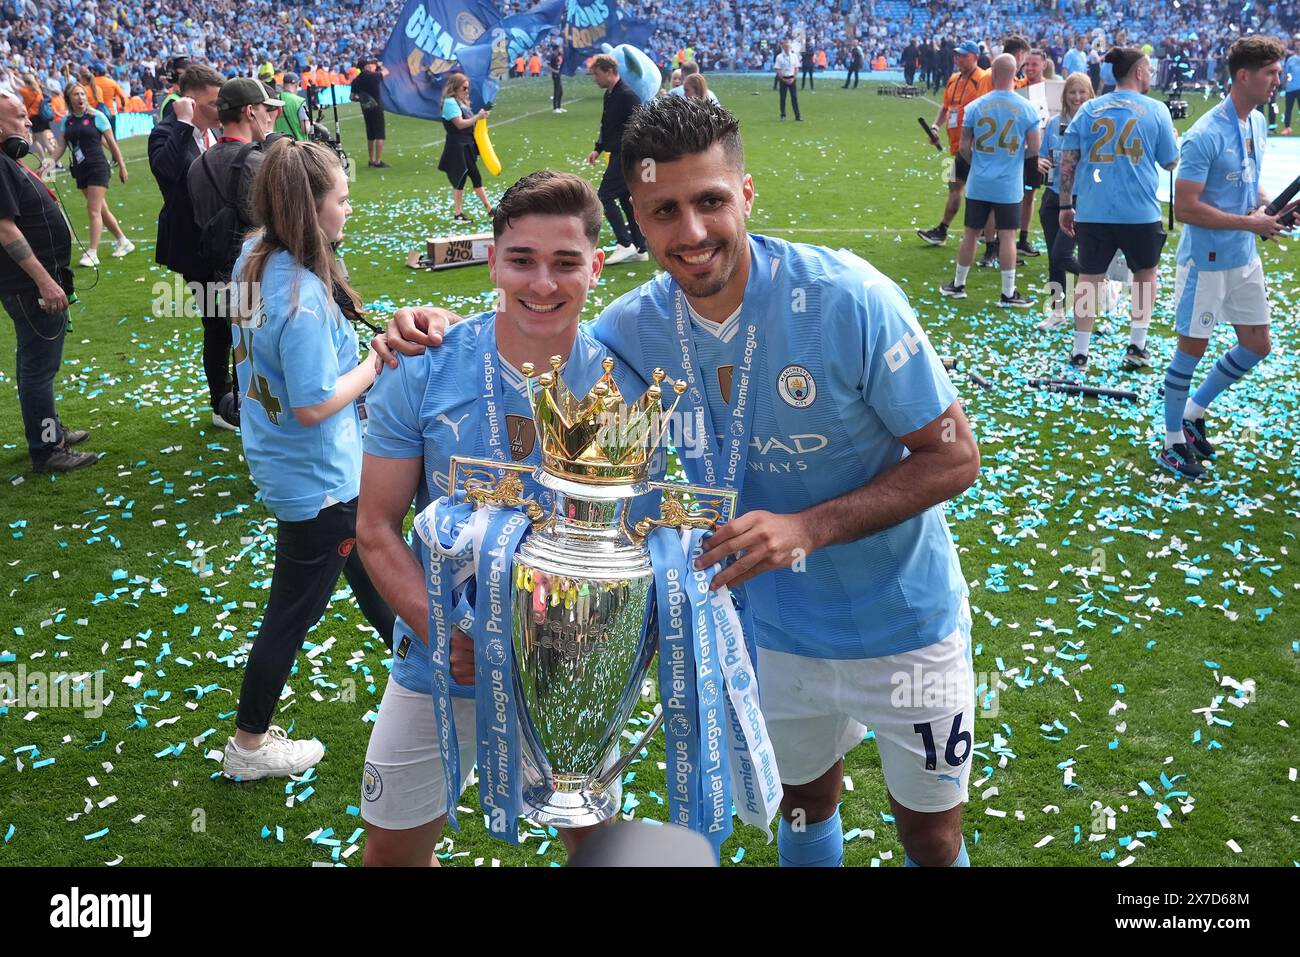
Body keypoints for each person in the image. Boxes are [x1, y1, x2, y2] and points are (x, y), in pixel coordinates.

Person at [383, 97, 982, 868]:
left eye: (711, 201)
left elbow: (955, 456)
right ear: (637, 215)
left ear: (747, 195)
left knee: (932, 837)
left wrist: (808, 527)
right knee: (804, 806)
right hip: (771, 631)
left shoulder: (849, 299)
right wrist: (426, 328)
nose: (692, 232)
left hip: (903, 624)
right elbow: (534, 321)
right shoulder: (631, 331)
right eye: (665, 210)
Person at [356, 171, 627, 865]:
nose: (543, 283)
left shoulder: (626, 379)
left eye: (566, 262)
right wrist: (442, 632)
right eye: (522, 260)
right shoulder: (422, 365)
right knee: (391, 853)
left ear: (596, 266)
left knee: (594, 842)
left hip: (572, 662)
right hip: (446, 660)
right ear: (491, 260)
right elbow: (377, 527)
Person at [221, 139, 395, 782]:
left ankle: (436, 675)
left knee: (378, 581)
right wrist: (375, 363)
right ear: (311, 206)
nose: (349, 209)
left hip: (298, 467)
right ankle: (248, 746)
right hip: (317, 479)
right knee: (292, 613)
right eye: (342, 199)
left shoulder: (253, 256)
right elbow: (315, 403)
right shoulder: (300, 295)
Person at [1160, 36, 1291, 479]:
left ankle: (1194, 412)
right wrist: (1251, 223)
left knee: (1258, 344)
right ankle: (1171, 440)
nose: (1279, 80)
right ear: (1243, 76)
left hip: (1243, 255)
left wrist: (1269, 206)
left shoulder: (1255, 122)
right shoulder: (1204, 134)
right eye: (1271, 73)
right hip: (1206, 260)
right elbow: (1188, 208)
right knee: (1191, 350)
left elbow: (1246, 185)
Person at [1057, 47, 1179, 371]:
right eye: (1149, 70)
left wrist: (1065, 204)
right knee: (1144, 275)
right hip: (1139, 211)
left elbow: (1068, 161)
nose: (1150, 75)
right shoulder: (1156, 110)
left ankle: (1080, 352)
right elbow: (1170, 161)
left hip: (1094, 209)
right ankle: (1137, 346)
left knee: (1089, 278)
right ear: (1139, 72)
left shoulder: (1088, 110)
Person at [0, 88, 97, 472]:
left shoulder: (9, 162)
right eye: (20, 116)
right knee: (38, 369)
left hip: (33, 282)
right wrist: (44, 281)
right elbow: (6, 230)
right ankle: (46, 448)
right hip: (29, 286)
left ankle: (48, 431)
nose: (29, 122)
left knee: (35, 364)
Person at [148, 64, 232, 429]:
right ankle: (221, 405)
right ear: (190, 101)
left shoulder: (216, 134)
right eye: (214, 103)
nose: (220, 110)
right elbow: (165, 173)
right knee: (218, 325)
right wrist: (182, 124)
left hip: (223, 243)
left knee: (238, 321)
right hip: (194, 248)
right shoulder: (167, 132)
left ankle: (242, 397)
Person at [939, 54, 1040, 307]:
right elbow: (1033, 148)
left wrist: (980, 164)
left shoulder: (975, 106)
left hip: (980, 181)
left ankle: (959, 284)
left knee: (971, 233)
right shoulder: (1027, 108)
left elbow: (963, 147)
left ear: (992, 74)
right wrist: (1013, 161)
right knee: (1007, 236)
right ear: (1015, 74)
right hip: (1008, 183)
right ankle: (1007, 292)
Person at [188, 77, 282, 285]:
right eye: (264, 110)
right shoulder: (259, 163)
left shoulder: (196, 165)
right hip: (263, 275)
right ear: (249, 112)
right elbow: (281, 225)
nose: (268, 118)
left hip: (221, 277)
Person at [42, 81, 132, 268]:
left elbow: (112, 143)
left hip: (97, 166)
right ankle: (124, 241)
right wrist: (51, 160)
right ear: (69, 99)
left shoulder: (97, 116)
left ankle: (92, 252)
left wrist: (122, 166)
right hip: (80, 169)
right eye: (76, 94)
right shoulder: (67, 121)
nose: (80, 97)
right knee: (100, 209)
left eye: (82, 94)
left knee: (93, 210)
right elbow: (62, 145)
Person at [917, 41, 990, 246]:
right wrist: (935, 127)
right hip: (957, 145)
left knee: (973, 188)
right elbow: (946, 107)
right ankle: (956, 231)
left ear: (975, 57)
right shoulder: (953, 79)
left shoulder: (983, 79)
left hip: (975, 145)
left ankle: (977, 232)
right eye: (957, 55)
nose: (958, 59)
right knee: (955, 185)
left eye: (963, 56)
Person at [1035, 73, 1091, 332]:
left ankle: (1099, 285)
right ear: (1064, 96)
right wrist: (1039, 162)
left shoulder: (1095, 125)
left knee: (1062, 255)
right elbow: (1043, 155)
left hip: (1081, 200)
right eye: (1072, 92)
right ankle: (1057, 312)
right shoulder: (1055, 123)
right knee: (1053, 259)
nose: (1077, 97)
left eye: (1082, 92)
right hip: (1053, 198)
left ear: (1090, 94)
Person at [587, 53, 648, 264]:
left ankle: (625, 242)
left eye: (597, 74)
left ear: (610, 72)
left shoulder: (627, 96)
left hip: (627, 155)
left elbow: (640, 128)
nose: (595, 79)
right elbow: (608, 126)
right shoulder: (610, 95)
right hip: (617, 153)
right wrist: (598, 149)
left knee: (604, 195)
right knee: (624, 199)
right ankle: (640, 247)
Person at [438, 72, 493, 224]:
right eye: (464, 88)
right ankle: (459, 213)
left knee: (475, 177)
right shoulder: (450, 103)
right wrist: (477, 117)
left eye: (468, 88)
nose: (467, 91)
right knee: (460, 179)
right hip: (457, 146)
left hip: (465, 145)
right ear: (455, 87)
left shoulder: (460, 102)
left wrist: (479, 118)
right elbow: (460, 124)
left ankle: (489, 209)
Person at [350, 57, 389, 168]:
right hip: (376, 108)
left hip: (366, 109)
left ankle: (371, 160)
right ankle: (378, 161)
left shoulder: (356, 80)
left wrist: (362, 99)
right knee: (380, 134)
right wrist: (380, 65)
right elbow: (386, 72)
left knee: (370, 135)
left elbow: (352, 97)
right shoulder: (373, 76)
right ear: (367, 66)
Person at [18, 74, 56, 164]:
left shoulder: (26, 91)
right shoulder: (37, 90)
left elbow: (13, 86)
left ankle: (57, 163)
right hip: (40, 118)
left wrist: (12, 76)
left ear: (26, 82)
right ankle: (43, 161)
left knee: (45, 142)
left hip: (35, 118)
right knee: (34, 140)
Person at [272, 73, 312, 141]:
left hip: (279, 145)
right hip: (297, 145)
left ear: (283, 84)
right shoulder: (299, 101)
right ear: (296, 85)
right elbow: (305, 129)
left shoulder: (274, 101)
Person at [775, 40, 801, 121]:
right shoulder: (779, 57)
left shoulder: (794, 56)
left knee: (794, 97)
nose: (787, 48)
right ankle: (783, 115)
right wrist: (782, 79)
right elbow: (777, 69)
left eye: (788, 46)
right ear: (783, 47)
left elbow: (796, 68)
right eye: (785, 47)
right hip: (784, 79)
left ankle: (797, 116)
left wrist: (794, 78)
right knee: (783, 98)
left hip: (792, 78)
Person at [1281, 40, 1300, 133]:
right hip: (1291, 88)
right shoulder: (1290, 59)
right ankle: (1287, 127)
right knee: (1288, 109)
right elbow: (1286, 73)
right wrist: (1283, 85)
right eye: (1297, 43)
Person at [549, 44, 565, 113]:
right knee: (556, 91)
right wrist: (554, 71)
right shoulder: (552, 56)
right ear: (556, 49)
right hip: (555, 75)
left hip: (558, 74)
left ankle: (559, 107)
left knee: (560, 91)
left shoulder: (557, 55)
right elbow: (548, 65)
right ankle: (555, 108)